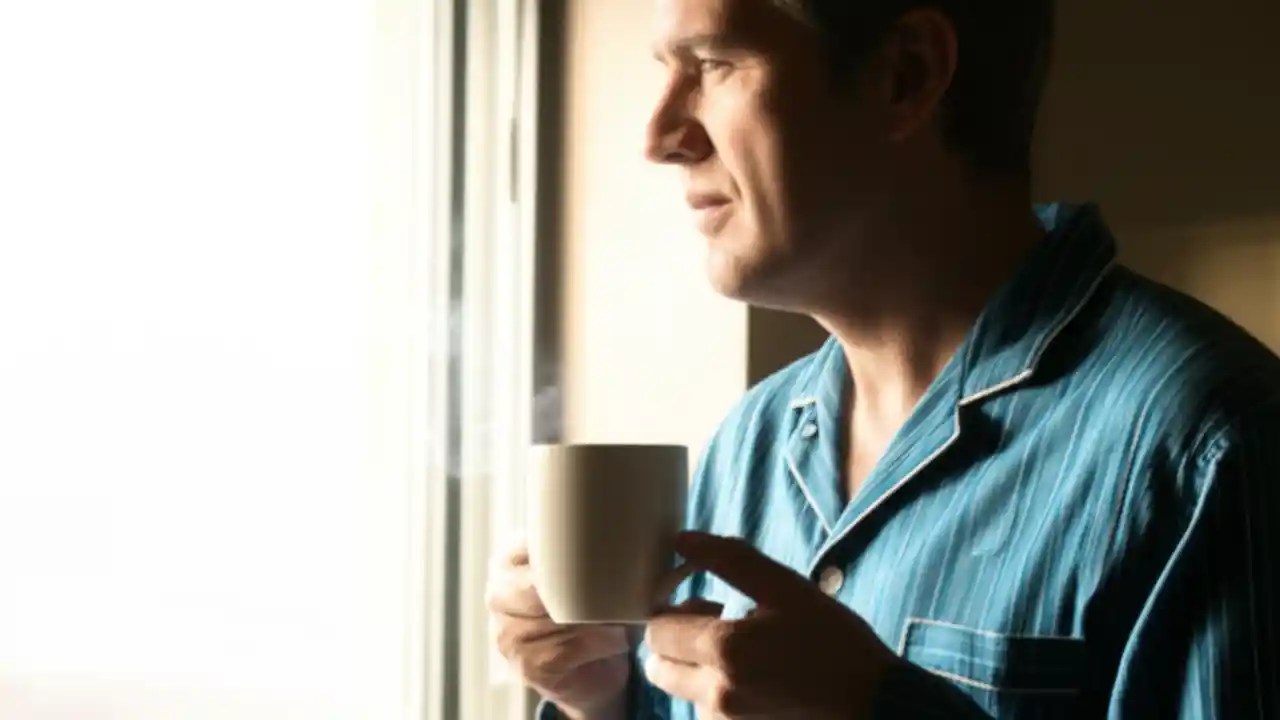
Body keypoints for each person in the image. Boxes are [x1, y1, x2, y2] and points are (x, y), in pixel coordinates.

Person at [487, 0, 1280, 716]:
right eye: (666, 73)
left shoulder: (1209, 443)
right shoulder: (750, 442)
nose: (659, 137)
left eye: (715, 65)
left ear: (906, 76)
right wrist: (605, 699)